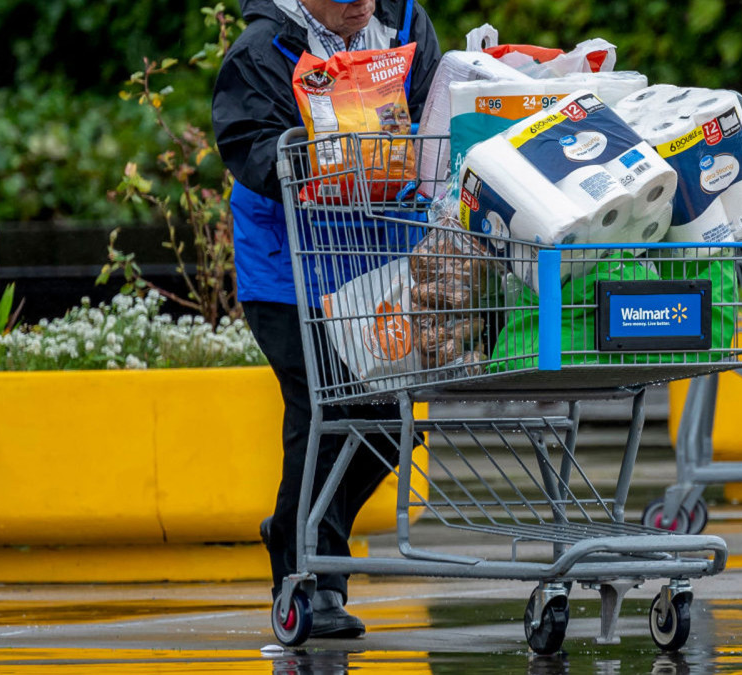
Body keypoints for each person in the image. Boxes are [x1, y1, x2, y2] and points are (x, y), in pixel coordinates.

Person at [211, 0, 441, 639]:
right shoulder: (262, 48)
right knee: (322, 410)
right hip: (291, 269)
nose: (359, 1)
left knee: (387, 427)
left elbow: (435, 114)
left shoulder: (405, 23)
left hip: (381, 263)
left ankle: (299, 537)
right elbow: (246, 146)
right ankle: (309, 579)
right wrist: (319, 151)